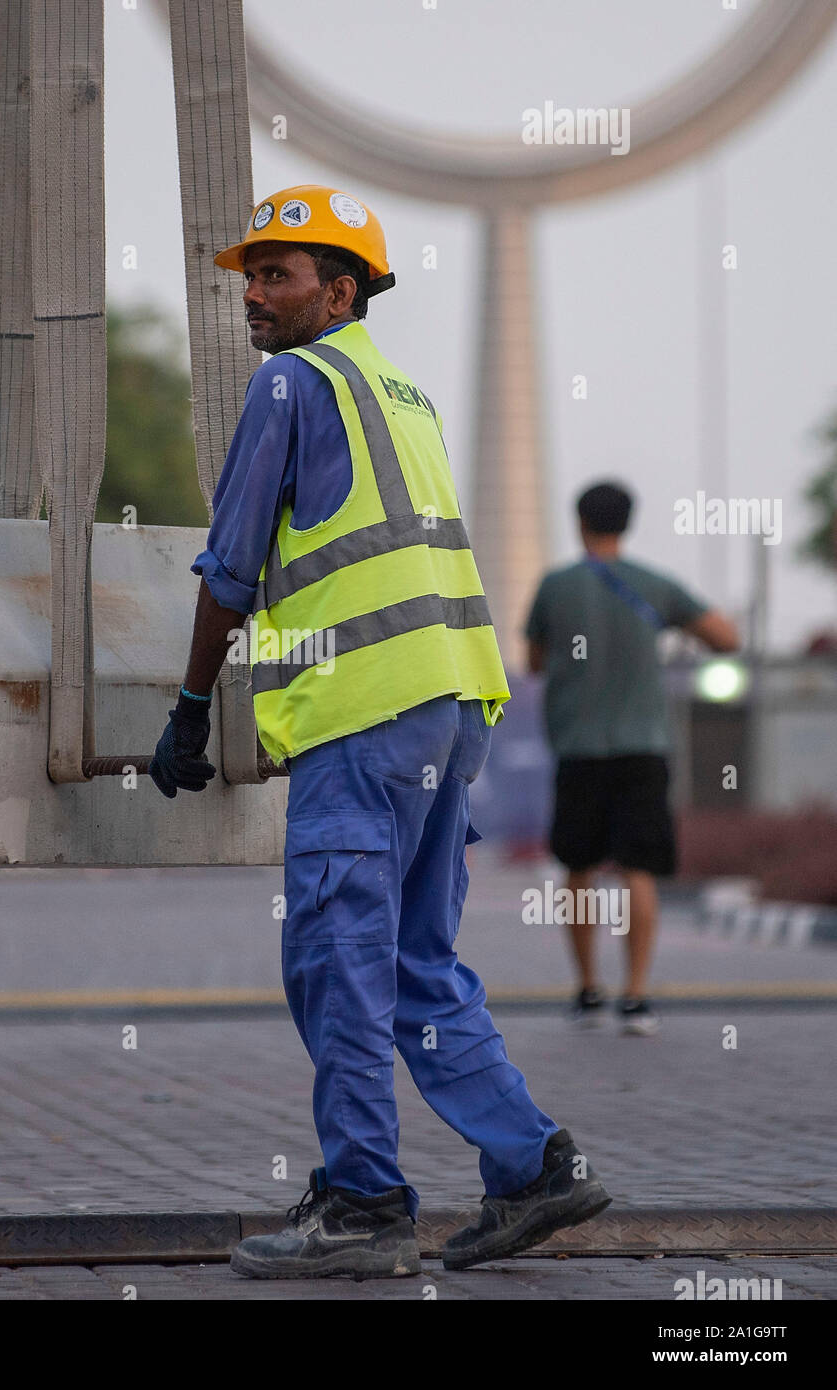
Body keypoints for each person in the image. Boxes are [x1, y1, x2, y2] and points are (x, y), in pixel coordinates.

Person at [149, 185, 610, 1279]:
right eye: (249, 277)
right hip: (453, 704)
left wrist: (188, 704)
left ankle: (362, 1205)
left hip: (363, 714)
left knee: (337, 958)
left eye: (278, 275)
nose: (253, 297)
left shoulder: (290, 382)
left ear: (340, 289)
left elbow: (231, 565)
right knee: (413, 959)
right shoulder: (401, 390)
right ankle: (533, 1166)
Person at [524, 481, 740, 1036]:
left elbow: (533, 662)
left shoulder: (556, 587)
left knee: (578, 868)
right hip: (643, 746)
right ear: (629, 523)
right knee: (638, 869)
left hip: (578, 748)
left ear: (579, 522)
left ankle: (587, 991)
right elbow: (726, 638)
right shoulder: (655, 585)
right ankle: (637, 998)